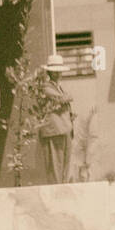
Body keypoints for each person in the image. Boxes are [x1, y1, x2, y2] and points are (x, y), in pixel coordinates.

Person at [35, 55, 74, 184]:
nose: (58, 74)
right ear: (49, 72)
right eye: (55, 71)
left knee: (64, 166)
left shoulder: (57, 87)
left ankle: (61, 193)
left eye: (59, 71)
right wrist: (67, 97)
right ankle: (57, 195)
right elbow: (62, 99)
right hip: (54, 131)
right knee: (55, 167)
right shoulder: (46, 87)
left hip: (63, 130)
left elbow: (63, 100)